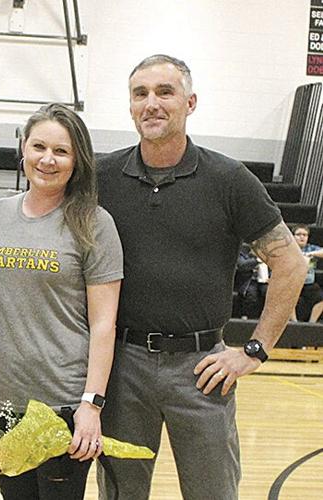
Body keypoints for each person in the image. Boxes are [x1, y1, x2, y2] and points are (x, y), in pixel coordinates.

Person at [95, 54, 305, 500]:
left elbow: (291, 263)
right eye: (140, 94)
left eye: (164, 92)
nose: (151, 103)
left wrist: (255, 350)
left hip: (203, 370)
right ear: (130, 106)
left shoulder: (228, 179)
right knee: (119, 494)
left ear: (189, 103)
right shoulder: (102, 177)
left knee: (213, 493)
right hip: (121, 366)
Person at [0, 103, 123, 500]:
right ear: (23, 148)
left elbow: (103, 324)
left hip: (63, 403)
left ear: (77, 160)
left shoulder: (94, 223)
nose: (47, 159)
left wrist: (91, 404)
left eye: (61, 151)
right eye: (39, 147)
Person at [291, 224, 323, 322]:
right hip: (292, 282)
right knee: (287, 299)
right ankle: (294, 322)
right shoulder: (289, 249)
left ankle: (312, 323)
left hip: (308, 283)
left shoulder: (311, 248)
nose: (302, 237)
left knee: (321, 298)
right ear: (293, 236)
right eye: (298, 234)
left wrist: (310, 254)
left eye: (304, 235)